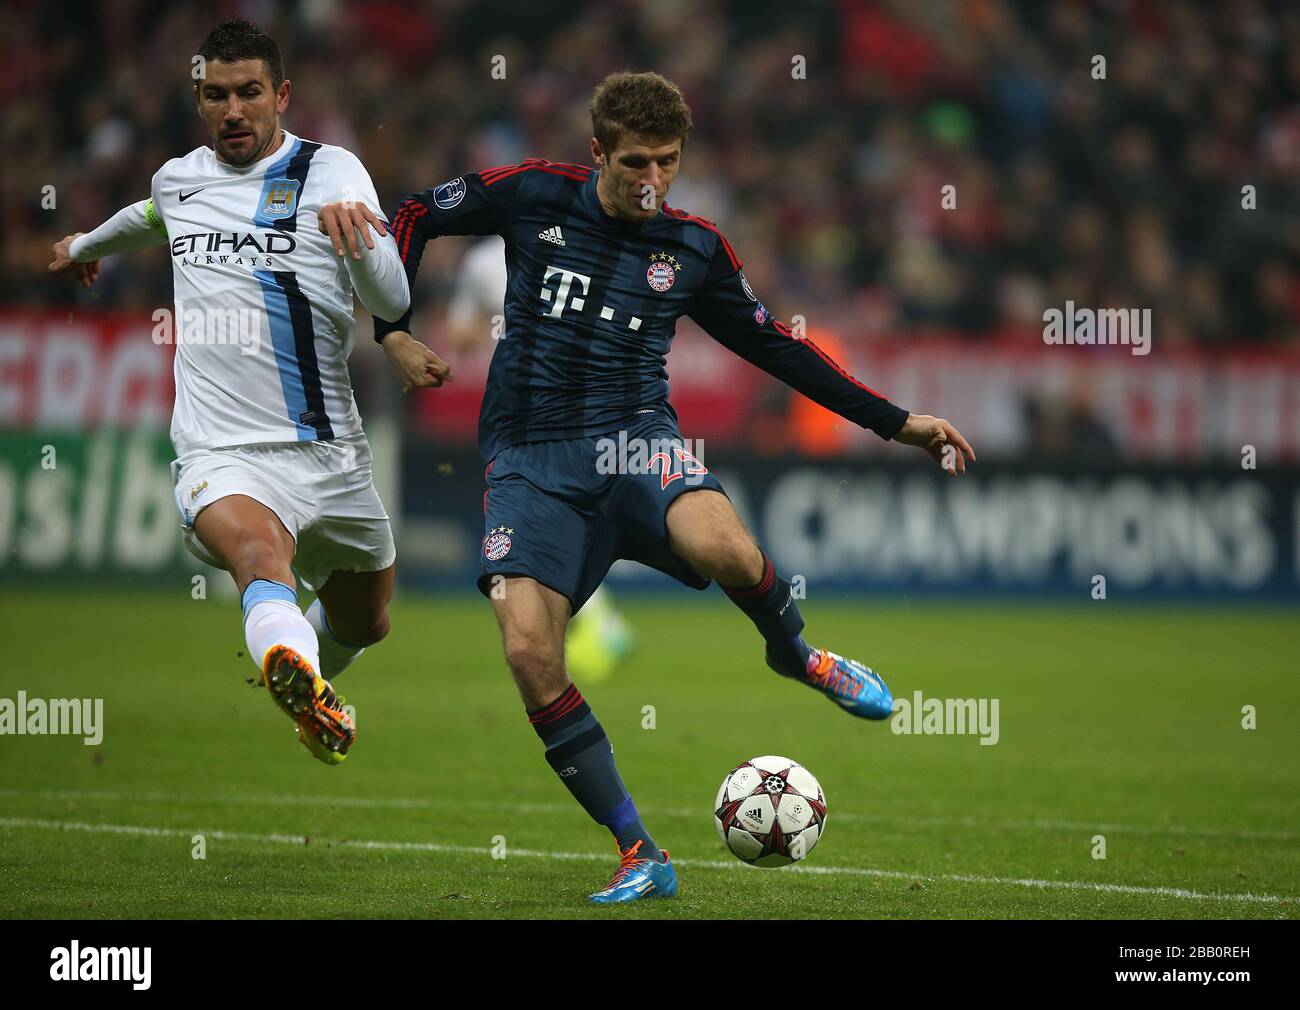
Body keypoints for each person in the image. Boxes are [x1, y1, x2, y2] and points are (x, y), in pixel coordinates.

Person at [376, 72, 974, 901]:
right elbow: (412, 213)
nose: (652, 180)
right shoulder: (532, 195)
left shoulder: (694, 248)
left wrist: (895, 421)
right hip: (529, 461)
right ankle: (640, 852)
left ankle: (798, 654)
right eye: (635, 163)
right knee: (527, 652)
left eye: (667, 162)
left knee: (728, 545)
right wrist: (393, 332)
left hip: (637, 443)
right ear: (598, 154)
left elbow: (779, 350)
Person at [48, 18, 441, 765]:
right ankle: (289, 670)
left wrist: (356, 243)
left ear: (281, 95)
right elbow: (153, 216)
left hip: (330, 451)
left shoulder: (333, 172)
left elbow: (390, 295)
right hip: (220, 451)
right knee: (263, 559)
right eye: (216, 95)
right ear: (199, 99)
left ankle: (308, 683)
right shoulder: (180, 177)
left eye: (250, 93)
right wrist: (84, 246)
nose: (234, 110)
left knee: (367, 620)